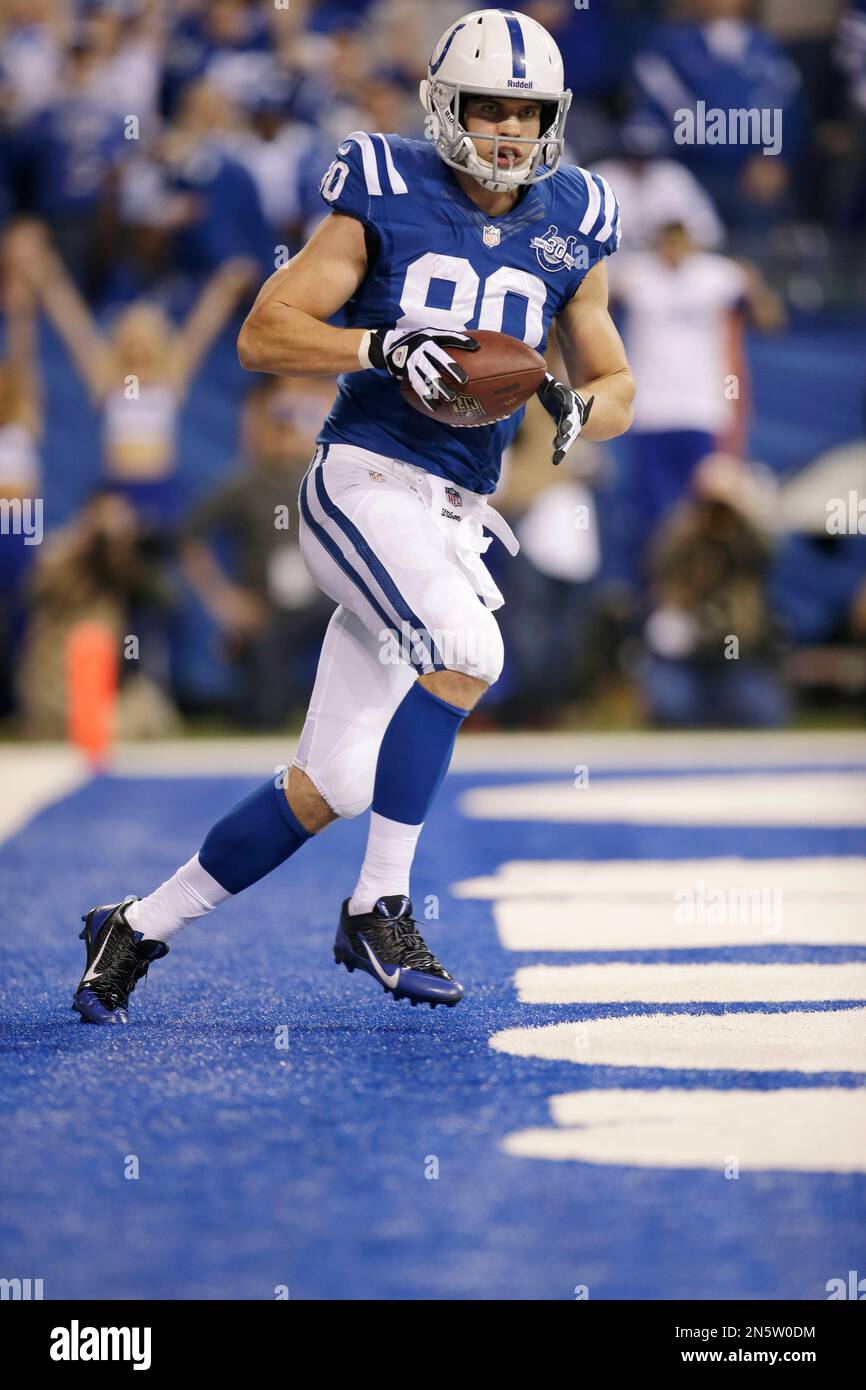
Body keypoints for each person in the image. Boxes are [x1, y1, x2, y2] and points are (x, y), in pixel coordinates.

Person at [71, 7, 634, 1024]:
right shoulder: (384, 182)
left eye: (526, 112)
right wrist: (379, 345)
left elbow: (612, 372)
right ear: (443, 106)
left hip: (453, 514)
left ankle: (140, 922)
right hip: (363, 479)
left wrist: (577, 406)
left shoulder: (577, 213)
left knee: (331, 778)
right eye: (488, 108)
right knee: (468, 649)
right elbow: (265, 331)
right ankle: (377, 904)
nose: (508, 131)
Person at [180, 377, 334, 728]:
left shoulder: (319, 478)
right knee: (265, 717)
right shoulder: (242, 484)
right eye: (274, 429)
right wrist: (223, 599)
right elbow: (190, 536)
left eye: (288, 428)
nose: (281, 438)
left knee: (367, 626)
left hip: (323, 601)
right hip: (269, 610)